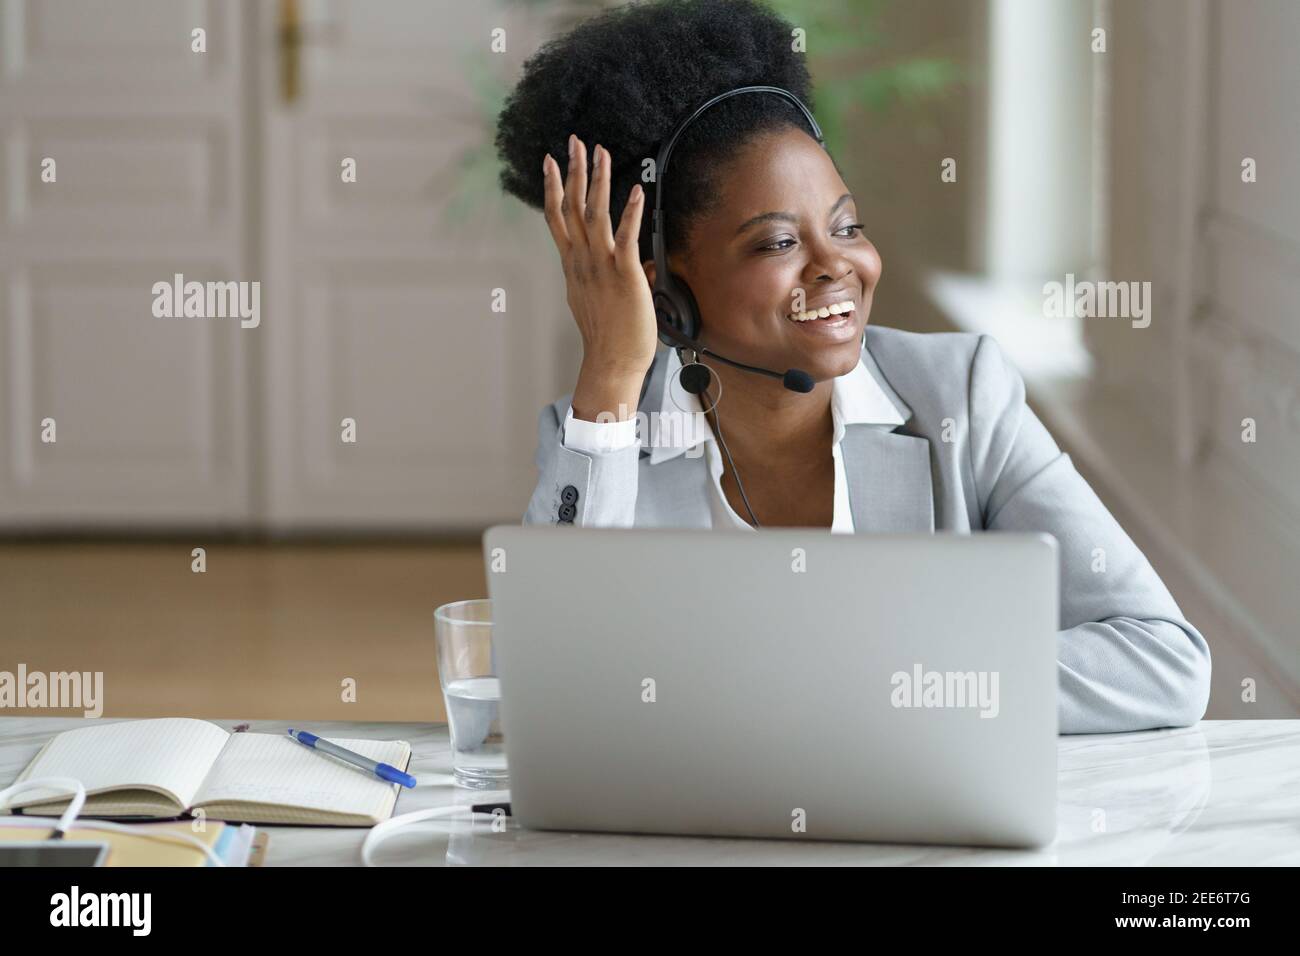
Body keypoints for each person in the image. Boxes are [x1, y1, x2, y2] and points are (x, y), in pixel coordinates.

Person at [493, 0, 1210, 734]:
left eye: (847, 226)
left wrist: (897, 689)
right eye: (777, 243)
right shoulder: (600, 437)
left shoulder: (962, 396)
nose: (840, 265)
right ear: (664, 288)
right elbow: (541, 695)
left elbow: (1162, 661)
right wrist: (610, 378)